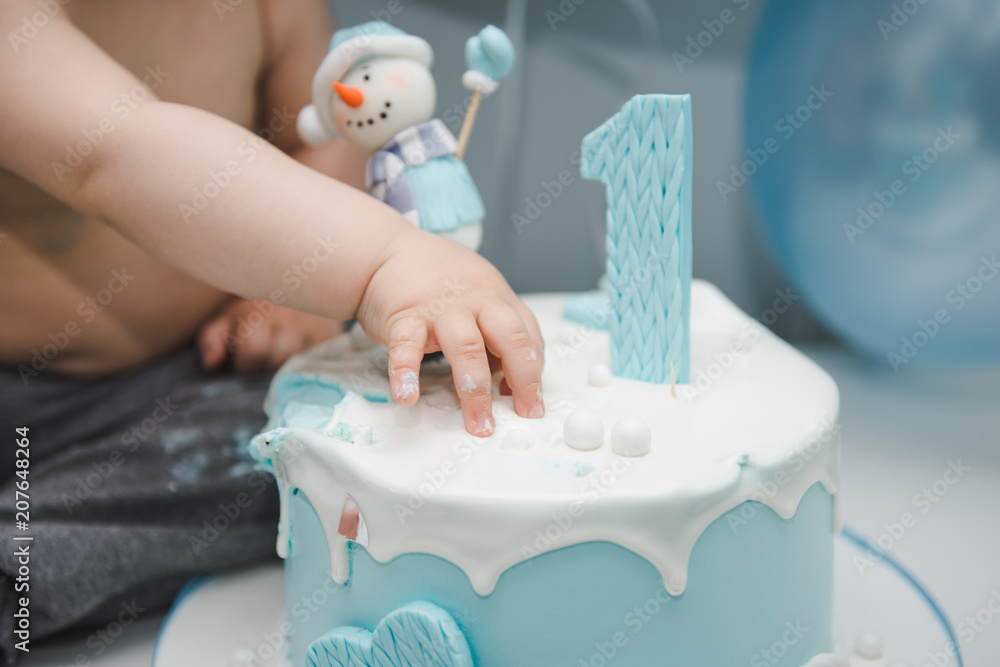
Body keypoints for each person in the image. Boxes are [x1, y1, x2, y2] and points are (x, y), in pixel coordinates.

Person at [0, 0, 543, 660]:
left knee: (304, 447)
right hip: (19, 390)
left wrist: (296, 302)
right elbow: (116, 151)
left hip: (192, 371)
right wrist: (380, 261)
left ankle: (28, 561)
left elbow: (325, 131)